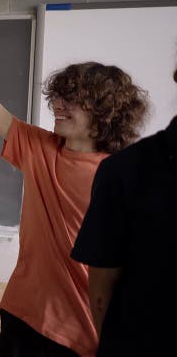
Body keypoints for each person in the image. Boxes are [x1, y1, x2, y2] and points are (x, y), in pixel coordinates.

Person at [0, 0, 148, 357]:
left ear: (105, 112)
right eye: (58, 97)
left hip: (80, 337)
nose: (58, 106)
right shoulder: (39, 148)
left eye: (72, 100)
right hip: (20, 316)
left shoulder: (125, 176)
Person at [70, 67, 177, 356]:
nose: (59, 106)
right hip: (50, 318)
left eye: (74, 100)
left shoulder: (120, 168)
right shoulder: (124, 171)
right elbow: (102, 288)